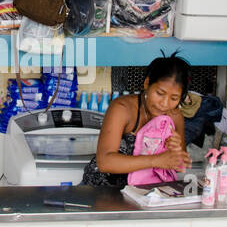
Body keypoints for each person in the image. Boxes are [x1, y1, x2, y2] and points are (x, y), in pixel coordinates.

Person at [81, 53, 191, 188]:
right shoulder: (122, 109)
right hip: (104, 189)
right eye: (160, 93)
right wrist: (156, 160)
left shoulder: (174, 117)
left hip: (145, 192)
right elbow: (105, 162)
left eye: (174, 98)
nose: (164, 103)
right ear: (147, 84)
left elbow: (180, 164)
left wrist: (175, 150)